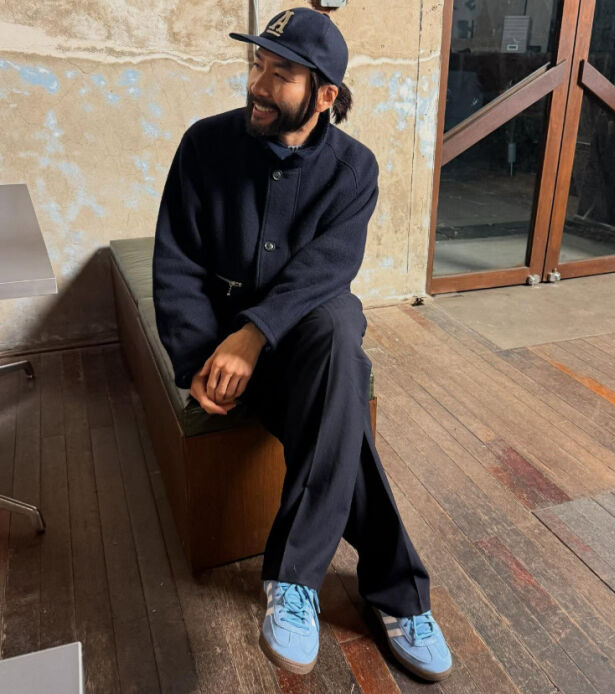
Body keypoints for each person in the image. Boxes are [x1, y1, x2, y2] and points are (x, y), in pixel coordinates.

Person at [152, 6, 453, 682]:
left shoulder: (355, 168)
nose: (257, 85)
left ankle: (293, 578)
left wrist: (255, 335)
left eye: (280, 74)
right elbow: (176, 262)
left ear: (324, 95)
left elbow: (328, 269)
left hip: (301, 340)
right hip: (223, 348)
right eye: (257, 65)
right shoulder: (205, 144)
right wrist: (201, 358)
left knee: (338, 324)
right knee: (343, 398)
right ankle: (400, 592)